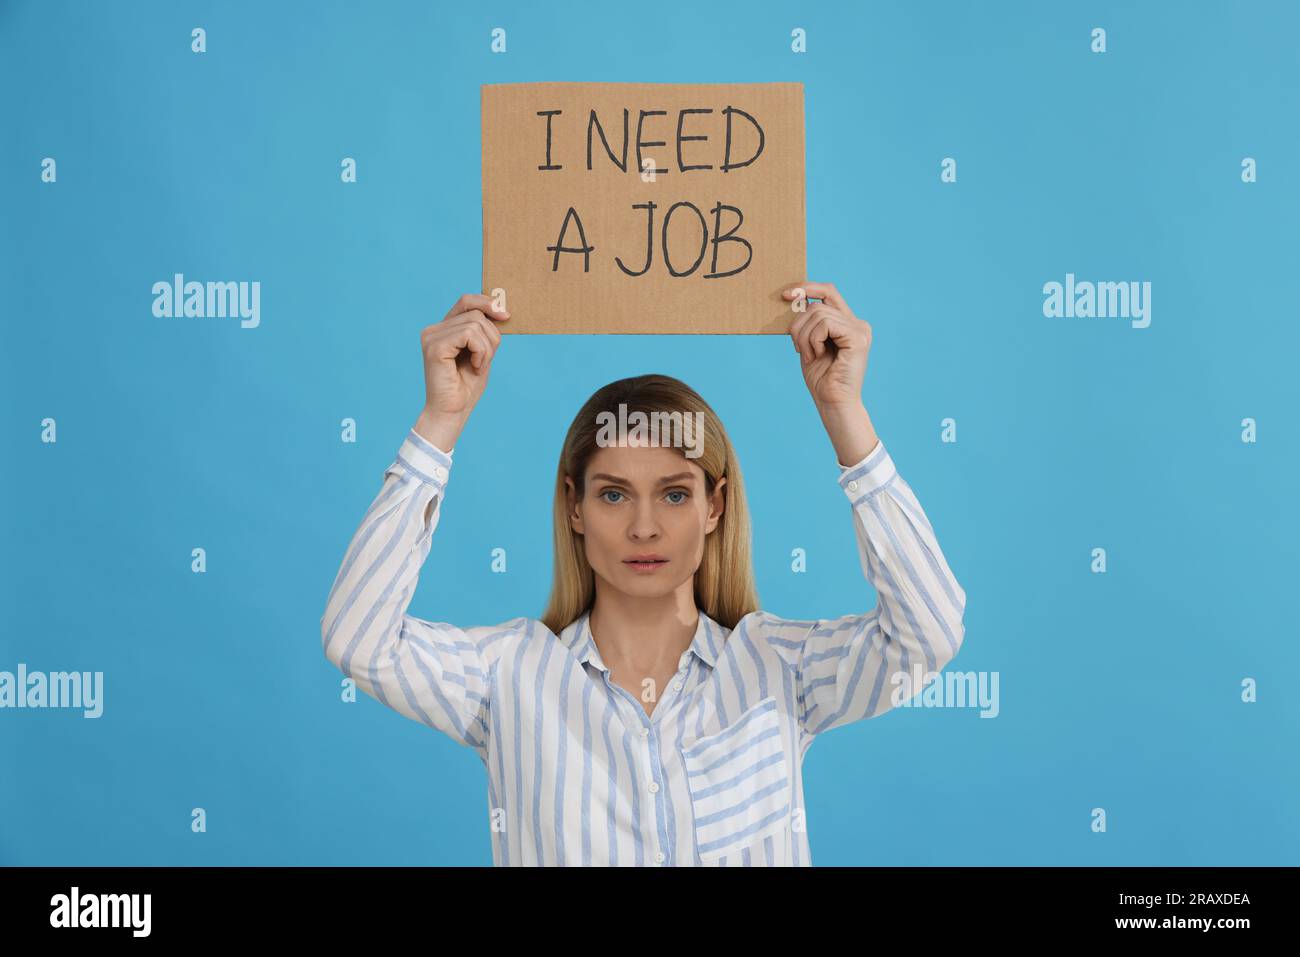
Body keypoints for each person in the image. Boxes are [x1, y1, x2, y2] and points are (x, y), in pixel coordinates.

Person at [320, 281, 966, 866]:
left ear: (715, 504)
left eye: (676, 494)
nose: (645, 527)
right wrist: (441, 421)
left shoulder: (781, 668)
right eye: (613, 494)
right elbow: (358, 639)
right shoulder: (506, 675)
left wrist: (844, 412)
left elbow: (928, 634)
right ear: (573, 505)